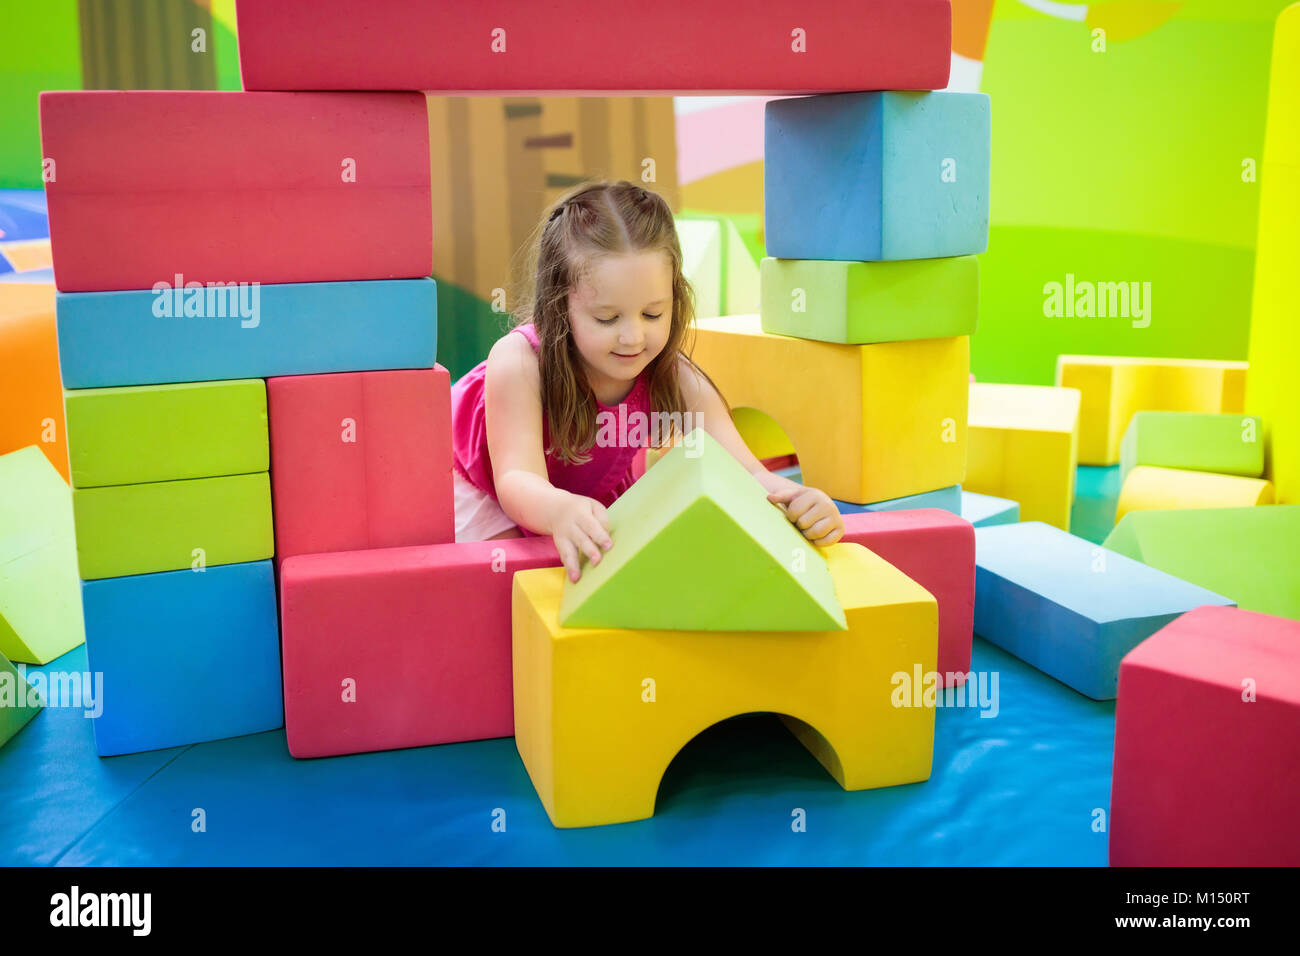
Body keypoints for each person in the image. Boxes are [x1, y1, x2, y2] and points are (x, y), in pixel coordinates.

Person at [450, 180, 844, 582]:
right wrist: (558, 510)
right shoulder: (519, 361)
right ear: (559, 307)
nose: (633, 337)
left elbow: (749, 473)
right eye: (607, 318)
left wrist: (802, 501)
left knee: (614, 576)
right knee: (508, 580)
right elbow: (517, 478)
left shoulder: (673, 375)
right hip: (478, 483)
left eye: (652, 314)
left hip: (581, 488)